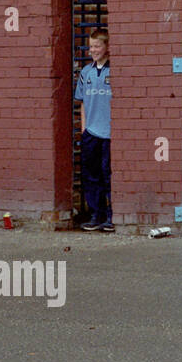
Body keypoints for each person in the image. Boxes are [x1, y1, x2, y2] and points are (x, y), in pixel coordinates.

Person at [75, 28, 113, 233]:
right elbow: (81, 102)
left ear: (107, 47)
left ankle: (110, 216)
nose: (93, 50)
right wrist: (84, 129)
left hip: (109, 133)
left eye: (97, 46)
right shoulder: (86, 72)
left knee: (109, 175)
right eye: (91, 47)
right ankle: (96, 215)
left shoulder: (114, 71)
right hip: (91, 133)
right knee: (92, 175)